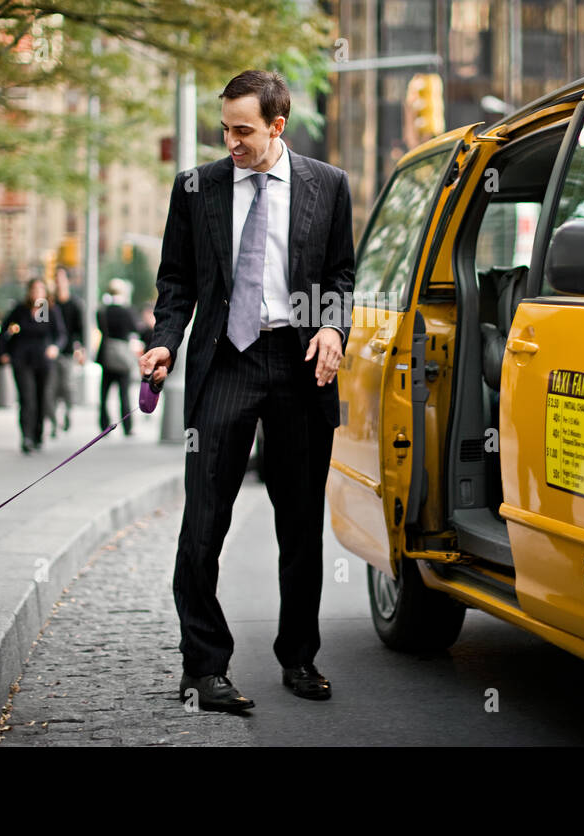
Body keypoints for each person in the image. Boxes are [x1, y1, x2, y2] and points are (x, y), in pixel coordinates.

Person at [139, 69, 354, 711]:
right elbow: (175, 280)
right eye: (224, 128)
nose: (230, 141)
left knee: (299, 525)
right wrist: (164, 341)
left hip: (298, 363)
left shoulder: (328, 184)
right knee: (203, 522)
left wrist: (334, 330)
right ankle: (203, 667)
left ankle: (300, 657)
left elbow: (341, 275)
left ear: (277, 126)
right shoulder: (197, 186)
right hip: (224, 362)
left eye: (243, 130)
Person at [0, 277, 66, 454]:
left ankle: (38, 434)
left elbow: (60, 334)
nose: (36, 293)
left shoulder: (48, 309)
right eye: (34, 289)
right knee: (27, 398)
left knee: (42, 397)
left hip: (42, 358)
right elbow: (3, 330)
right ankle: (26, 436)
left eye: (40, 289)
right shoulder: (20, 309)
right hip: (21, 358)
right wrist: (3, 352)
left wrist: (55, 347)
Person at [96, 278, 141, 436]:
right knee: (124, 394)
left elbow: (100, 328)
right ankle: (127, 427)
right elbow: (135, 328)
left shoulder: (102, 311)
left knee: (104, 394)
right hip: (122, 357)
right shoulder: (127, 311)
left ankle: (103, 425)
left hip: (106, 355)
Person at [45, 265, 85, 438]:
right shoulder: (48, 303)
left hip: (68, 352)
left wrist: (80, 349)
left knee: (67, 387)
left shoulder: (75, 304)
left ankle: (68, 412)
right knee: (50, 390)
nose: (58, 283)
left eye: (61, 279)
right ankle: (54, 423)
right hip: (50, 354)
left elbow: (81, 330)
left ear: (67, 281)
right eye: (56, 279)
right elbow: (40, 326)